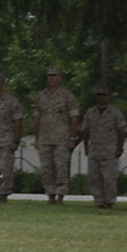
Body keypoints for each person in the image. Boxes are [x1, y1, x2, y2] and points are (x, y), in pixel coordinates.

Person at [33, 67, 79, 203]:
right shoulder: (40, 96)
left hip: (61, 138)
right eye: (49, 76)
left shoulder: (67, 95)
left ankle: (60, 195)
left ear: (59, 78)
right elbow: (36, 118)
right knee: (47, 168)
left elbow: (74, 117)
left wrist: (72, 137)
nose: (51, 78)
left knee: (61, 167)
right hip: (45, 138)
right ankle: (50, 195)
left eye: (54, 76)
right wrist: (37, 138)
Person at [78, 88, 127, 210]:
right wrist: (85, 146)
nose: (101, 97)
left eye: (103, 95)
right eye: (98, 95)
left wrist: (119, 148)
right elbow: (86, 130)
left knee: (109, 179)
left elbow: (121, 132)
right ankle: (99, 201)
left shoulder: (115, 113)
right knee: (94, 178)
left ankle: (109, 202)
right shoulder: (90, 113)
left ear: (108, 97)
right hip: (94, 150)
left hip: (109, 151)